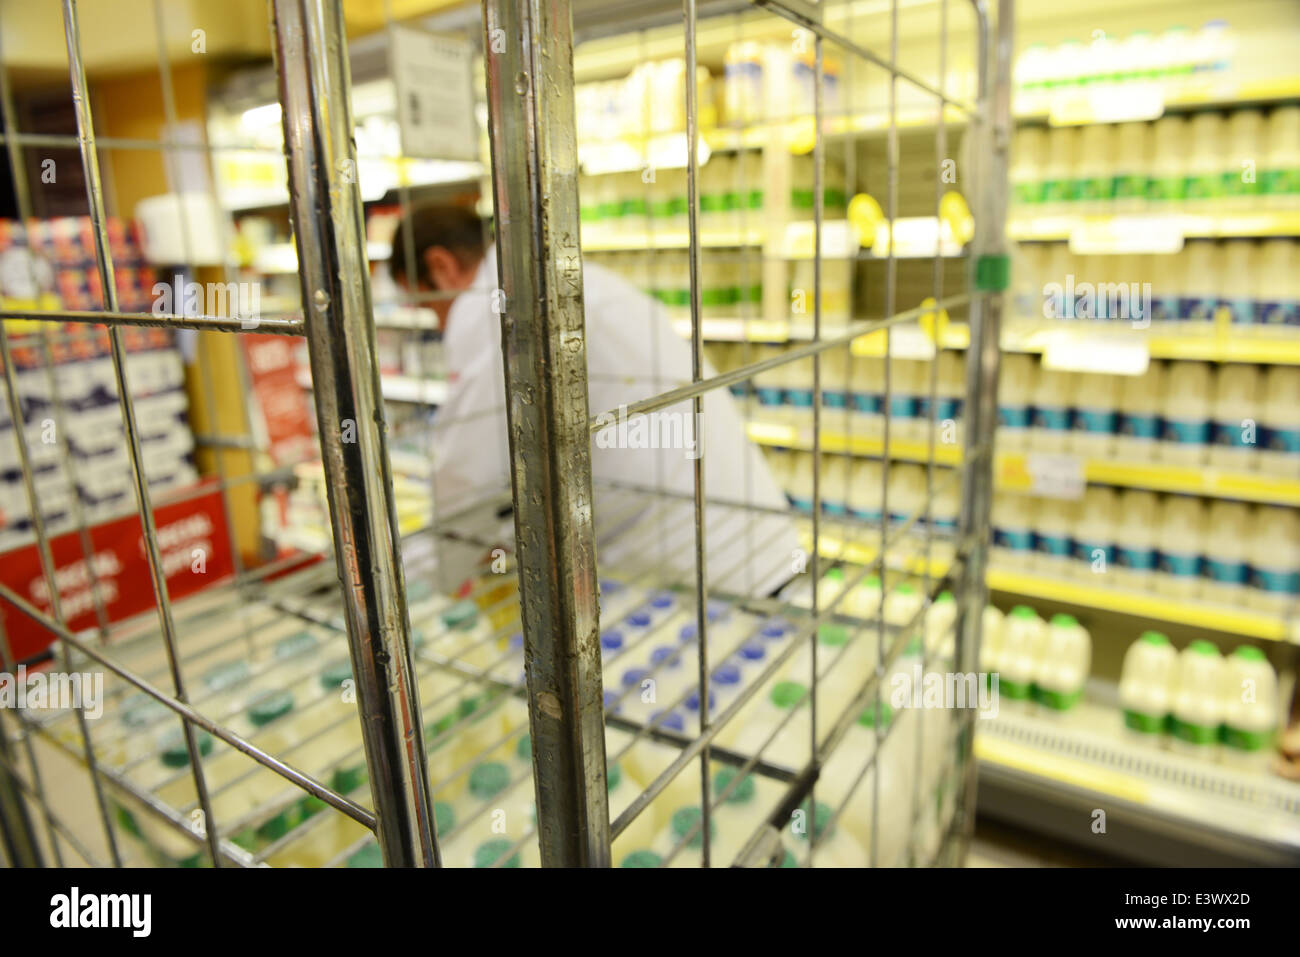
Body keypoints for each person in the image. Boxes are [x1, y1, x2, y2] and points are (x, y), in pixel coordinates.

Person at [389, 203, 798, 598]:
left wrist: (422, 580)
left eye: (427, 306)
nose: (438, 323)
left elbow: (470, 473)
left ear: (441, 267)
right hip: (752, 539)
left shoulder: (492, 302)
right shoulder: (565, 276)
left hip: (691, 566)